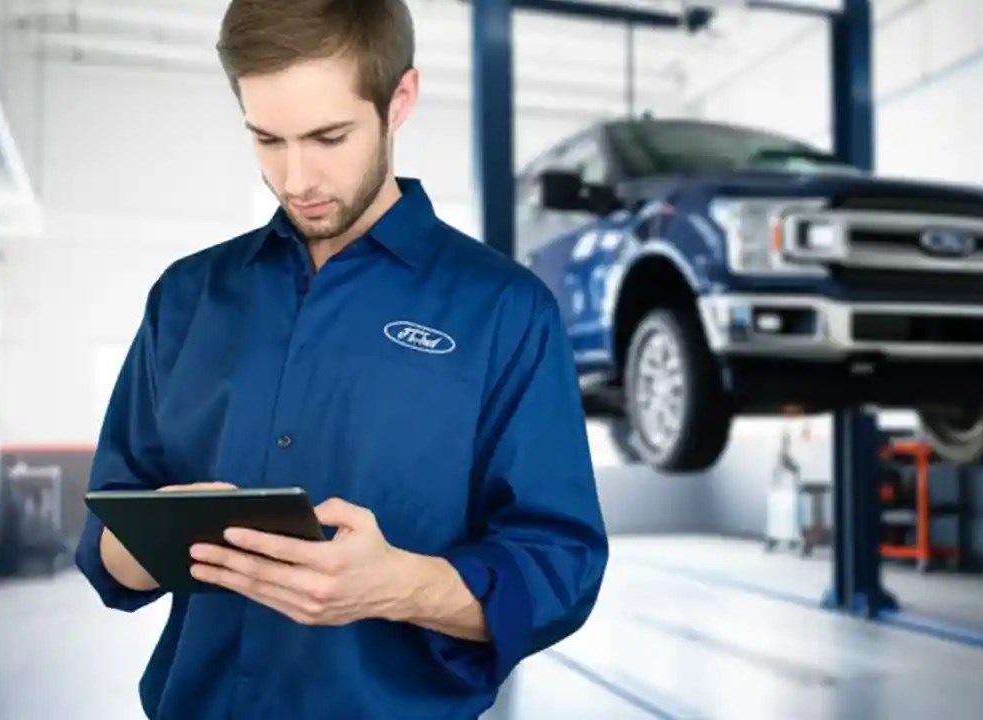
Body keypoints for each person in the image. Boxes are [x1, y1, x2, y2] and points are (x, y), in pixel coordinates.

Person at [73, 0, 609, 717]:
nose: (297, 179)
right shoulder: (187, 297)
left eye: (329, 137)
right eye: (268, 139)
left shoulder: (505, 311)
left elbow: (560, 568)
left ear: (400, 102)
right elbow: (107, 539)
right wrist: (157, 539)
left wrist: (402, 587)